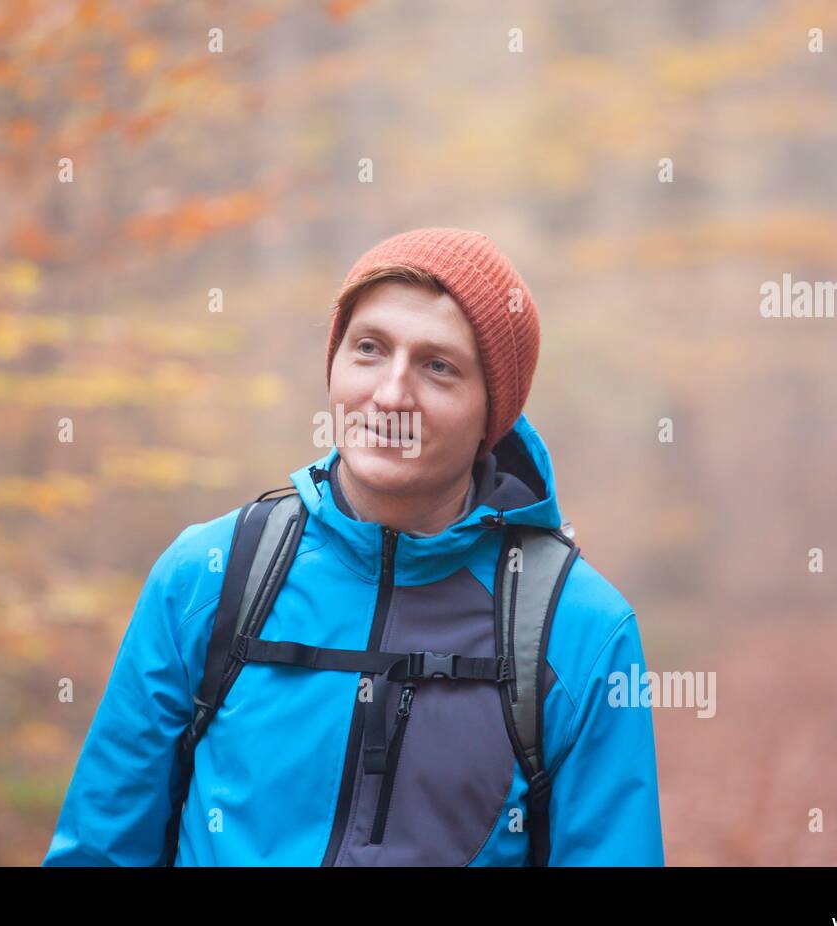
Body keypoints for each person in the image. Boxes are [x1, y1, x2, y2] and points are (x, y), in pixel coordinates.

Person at [42, 227, 664, 866]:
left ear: (492, 415)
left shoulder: (580, 629)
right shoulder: (210, 575)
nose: (391, 394)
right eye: (369, 349)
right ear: (334, 365)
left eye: (438, 366)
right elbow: (101, 849)